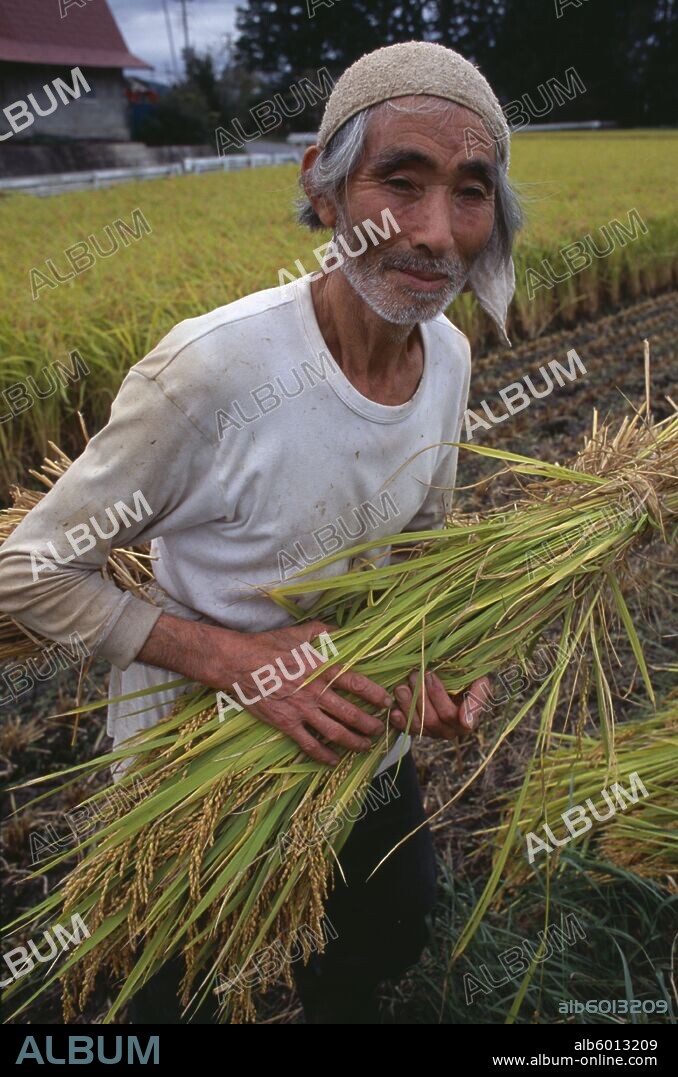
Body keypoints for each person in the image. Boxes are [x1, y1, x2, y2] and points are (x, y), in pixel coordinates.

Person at [0, 40, 523, 1023]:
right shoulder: (210, 373)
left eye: (470, 191)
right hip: (194, 756)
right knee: (166, 982)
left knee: (390, 926)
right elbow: (21, 571)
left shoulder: (448, 355)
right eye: (399, 183)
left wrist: (436, 662)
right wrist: (238, 660)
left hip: (355, 724)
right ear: (323, 191)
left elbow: (418, 546)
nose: (435, 234)